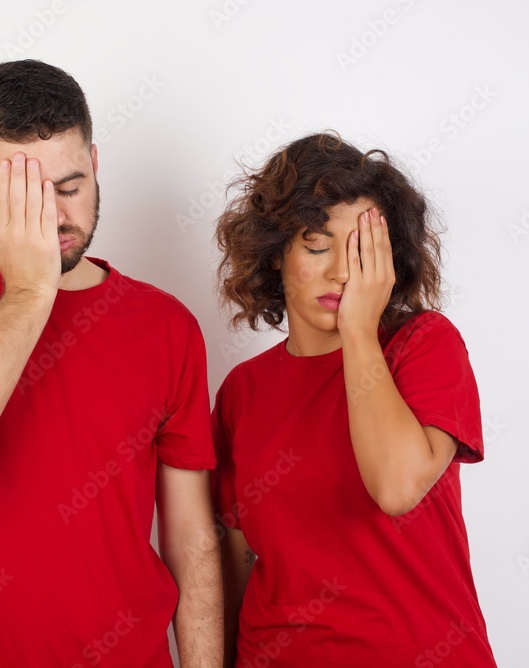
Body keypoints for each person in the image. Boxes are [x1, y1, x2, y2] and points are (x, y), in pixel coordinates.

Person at [0, 59, 221, 667]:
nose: (53, 217)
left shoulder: (168, 327)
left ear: (96, 165)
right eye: (24, 198)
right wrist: (30, 291)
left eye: (70, 187)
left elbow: (191, 540)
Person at [211, 132, 497, 666]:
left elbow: (396, 486)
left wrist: (360, 330)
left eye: (362, 253)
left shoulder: (425, 345)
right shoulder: (242, 392)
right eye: (318, 246)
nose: (342, 272)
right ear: (275, 255)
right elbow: (236, 559)